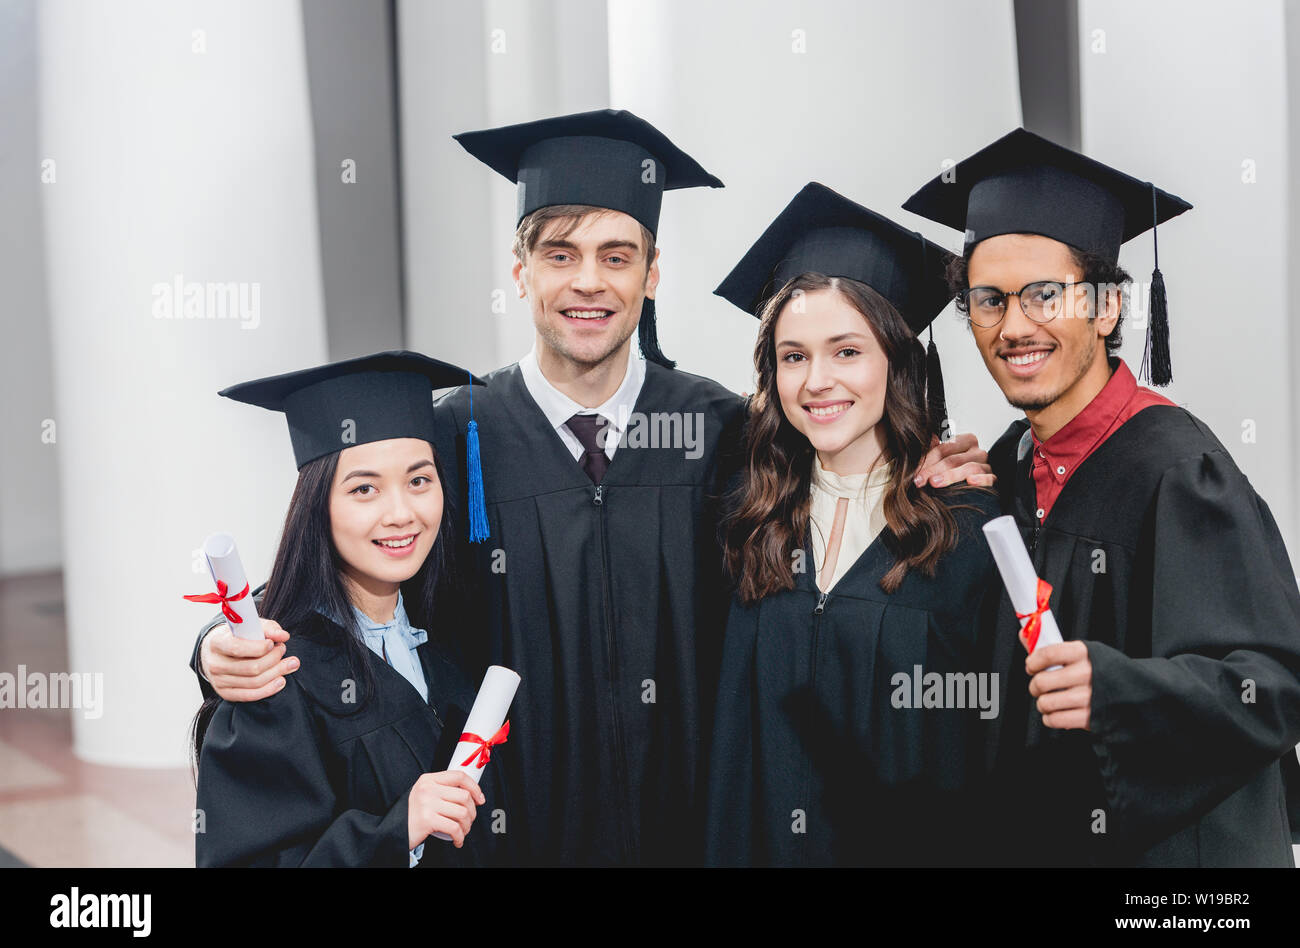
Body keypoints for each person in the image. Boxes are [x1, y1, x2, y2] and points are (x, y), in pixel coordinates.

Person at [190, 110, 990, 865]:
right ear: (519, 269)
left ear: (650, 275)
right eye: (560, 254)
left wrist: (929, 463)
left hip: (695, 830)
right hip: (509, 834)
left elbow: (840, 468)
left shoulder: (722, 430)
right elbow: (346, 557)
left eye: (616, 255)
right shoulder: (450, 432)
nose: (588, 283)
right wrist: (220, 648)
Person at [903, 127, 1300, 865]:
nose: (1014, 325)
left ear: (1108, 308)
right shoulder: (1007, 469)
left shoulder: (1180, 469)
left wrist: (1119, 690)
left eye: (1044, 295)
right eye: (989, 300)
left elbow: (1273, 686)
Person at [704, 183, 1000, 865]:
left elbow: (991, 756)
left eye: (846, 351)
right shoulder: (748, 516)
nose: (816, 381)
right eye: (793, 355)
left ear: (896, 361)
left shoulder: (966, 531)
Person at [192, 351, 508, 867]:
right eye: (364, 488)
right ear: (319, 505)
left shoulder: (447, 632)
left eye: (420, 480)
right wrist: (394, 832)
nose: (402, 513)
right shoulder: (277, 676)